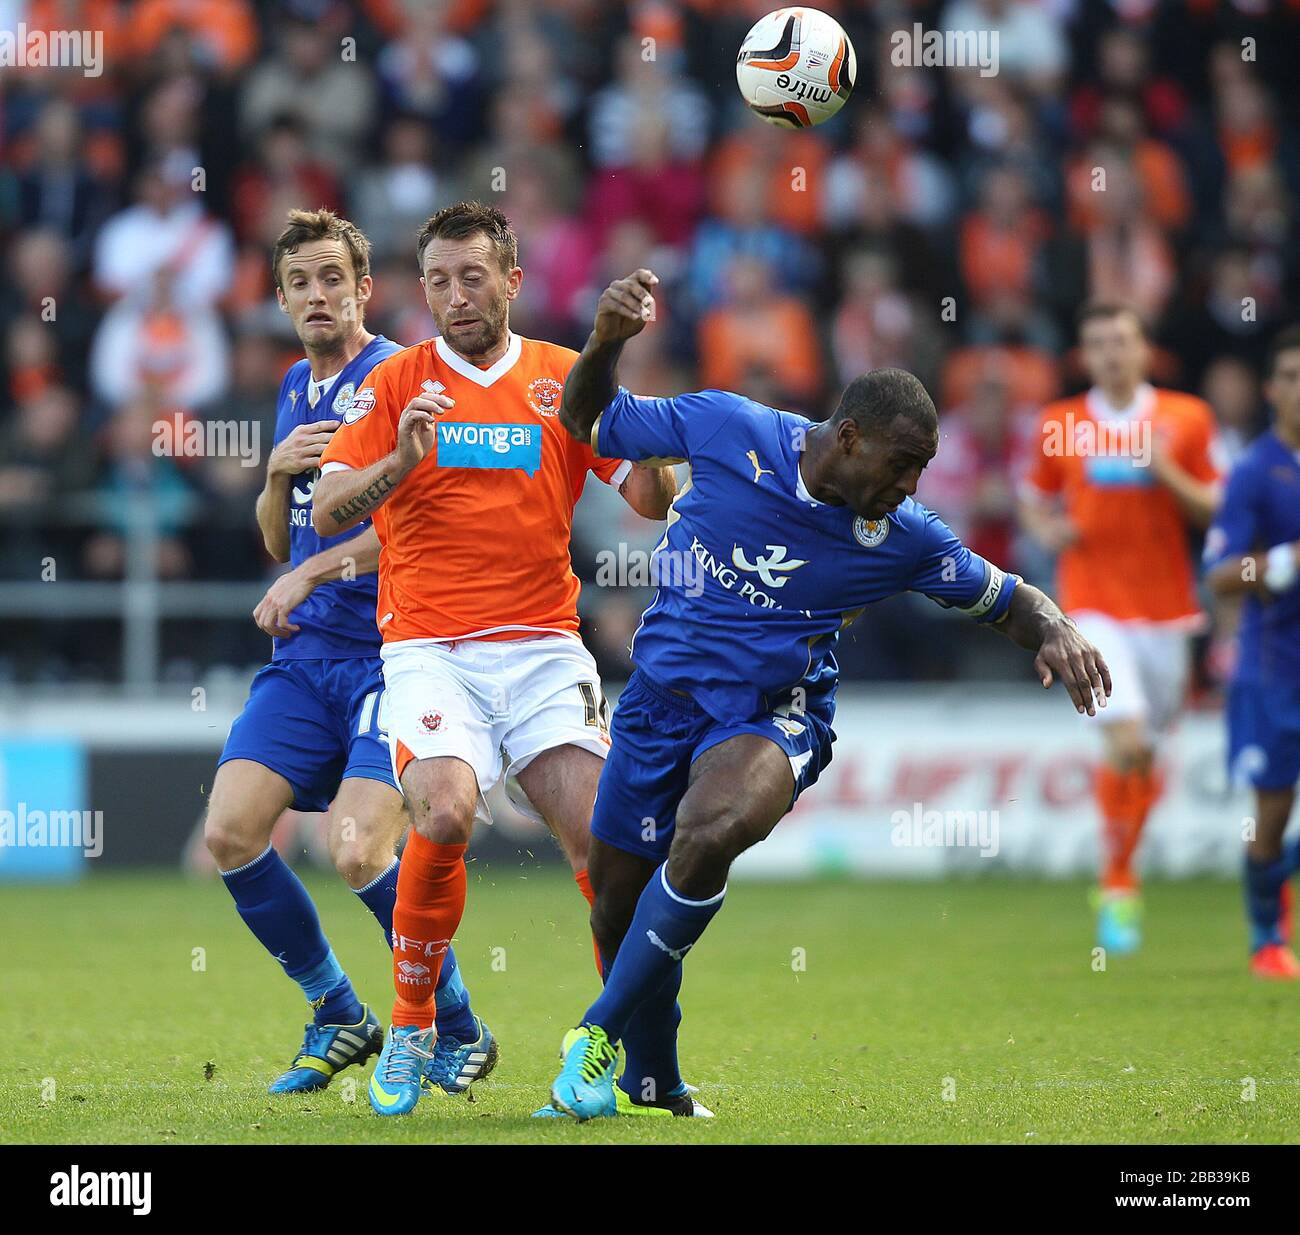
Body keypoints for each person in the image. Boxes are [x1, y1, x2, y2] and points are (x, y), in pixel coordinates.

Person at [543, 268, 1110, 1120]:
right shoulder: (728, 426)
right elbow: (585, 419)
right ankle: (654, 1082)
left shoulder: (903, 536)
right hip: (660, 699)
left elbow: (1002, 597)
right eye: (905, 463)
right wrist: (606, 340)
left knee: (708, 832)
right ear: (848, 437)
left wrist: (1056, 625)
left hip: (774, 712)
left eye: (922, 469)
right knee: (616, 908)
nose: (912, 485)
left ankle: (594, 1033)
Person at [311, 202, 676, 1116]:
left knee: (608, 843)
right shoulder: (397, 382)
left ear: (512, 281)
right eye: (436, 279)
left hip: (546, 650)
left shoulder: (561, 376)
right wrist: (401, 459)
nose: (453, 295)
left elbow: (650, 498)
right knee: (444, 809)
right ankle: (411, 1023)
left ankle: (615, 1054)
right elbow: (327, 510)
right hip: (431, 648)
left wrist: (617, 371)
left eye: (472, 276)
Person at [205, 209, 489, 1096]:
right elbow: (274, 540)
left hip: (388, 649)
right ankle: (336, 1008)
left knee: (356, 848)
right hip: (305, 660)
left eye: (334, 278)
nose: (318, 295)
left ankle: (458, 1021)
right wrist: (276, 476)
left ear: (364, 288)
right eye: (301, 282)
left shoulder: (404, 377)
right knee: (229, 832)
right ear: (283, 297)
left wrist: (315, 568)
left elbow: (417, 522)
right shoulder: (296, 385)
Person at [1018, 303, 1221, 953]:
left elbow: (1212, 506)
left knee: (1148, 752)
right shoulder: (1061, 423)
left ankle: (1122, 867)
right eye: (1097, 342)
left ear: (1144, 350)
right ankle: (1118, 883)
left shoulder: (1185, 417)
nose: (1110, 353)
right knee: (1126, 739)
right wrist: (1049, 530)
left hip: (1167, 610)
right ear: (1084, 354)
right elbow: (1032, 494)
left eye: (1121, 341)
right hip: (1092, 605)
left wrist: (1164, 470)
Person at [1204, 325, 1300, 978]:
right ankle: (1266, 935)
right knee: (1272, 809)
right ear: (1271, 388)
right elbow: (1218, 575)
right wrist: (1281, 563)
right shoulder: (1253, 471)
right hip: (1276, 664)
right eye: (1291, 375)